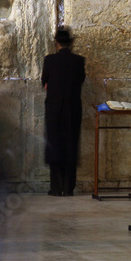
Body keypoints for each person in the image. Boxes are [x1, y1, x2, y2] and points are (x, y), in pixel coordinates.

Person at [41, 27, 86, 196]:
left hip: (54, 109)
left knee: (55, 146)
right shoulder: (79, 61)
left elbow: (44, 81)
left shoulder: (50, 60)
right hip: (73, 109)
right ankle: (68, 188)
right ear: (71, 43)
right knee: (70, 146)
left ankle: (56, 187)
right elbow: (81, 80)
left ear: (57, 43)